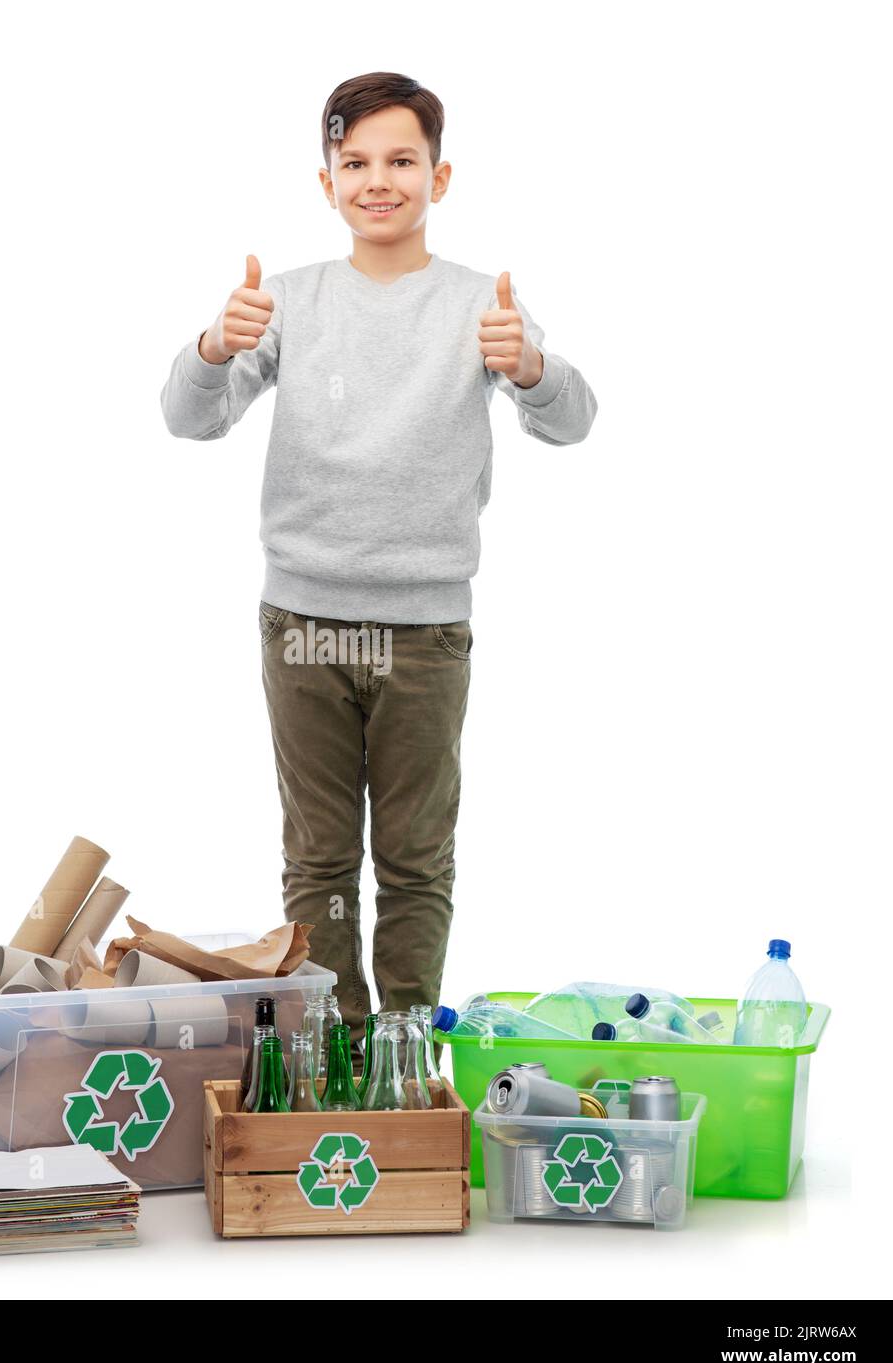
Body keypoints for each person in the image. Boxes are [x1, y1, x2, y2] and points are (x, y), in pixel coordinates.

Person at [160, 72, 597, 1042]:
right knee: (317, 858)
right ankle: (333, 1048)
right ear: (326, 184)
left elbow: (570, 421)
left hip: (424, 631)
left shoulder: (481, 303)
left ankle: (401, 1048)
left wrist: (528, 365)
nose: (376, 180)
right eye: (353, 162)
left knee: (411, 857)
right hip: (303, 623)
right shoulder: (285, 300)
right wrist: (205, 345)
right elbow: (190, 418)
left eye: (399, 160)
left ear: (438, 177)